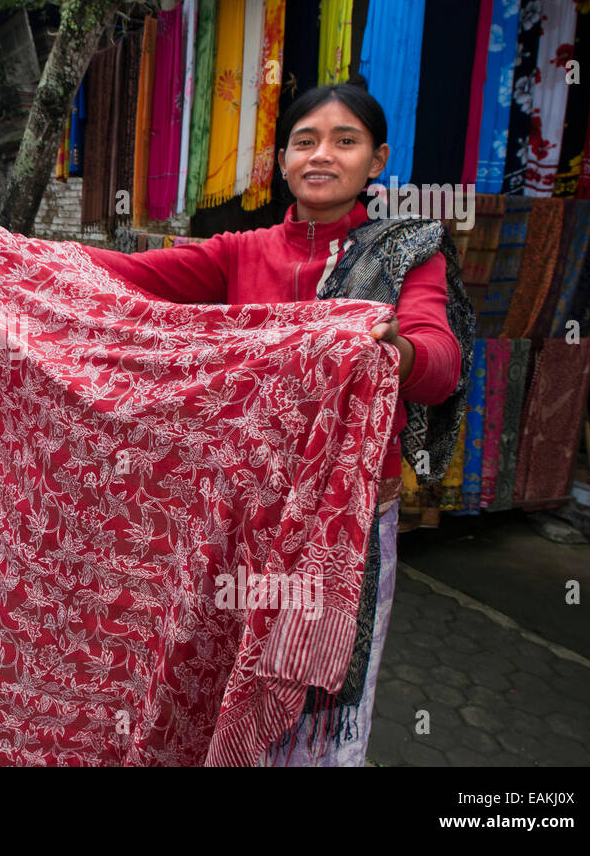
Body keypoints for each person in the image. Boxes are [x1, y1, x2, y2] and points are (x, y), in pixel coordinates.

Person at [80, 77, 473, 766]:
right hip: (241, 518)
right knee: (232, 672)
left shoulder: (408, 254)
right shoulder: (240, 253)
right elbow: (125, 275)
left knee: (315, 694)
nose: (323, 155)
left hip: (343, 523)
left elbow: (441, 364)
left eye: (345, 141)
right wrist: (4, 252)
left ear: (377, 160)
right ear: (283, 161)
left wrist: (391, 347)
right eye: (305, 141)